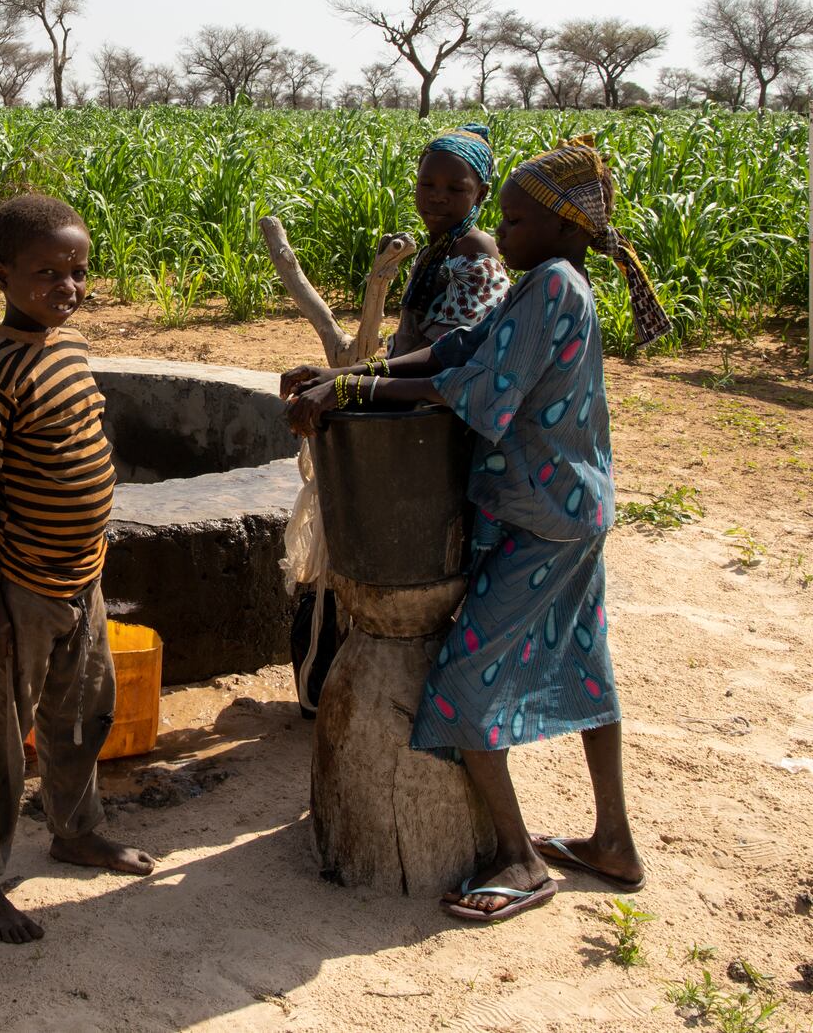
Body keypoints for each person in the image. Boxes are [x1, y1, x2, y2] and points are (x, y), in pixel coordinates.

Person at [282, 136, 673, 923]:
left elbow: (481, 388)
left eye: (517, 220)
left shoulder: (552, 286)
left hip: (542, 514)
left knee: (462, 680)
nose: (504, 232)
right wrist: (351, 376)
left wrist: (351, 392)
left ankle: (518, 858)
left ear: (564, 226)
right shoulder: (549, 283)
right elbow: (461, 345)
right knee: (586, 663)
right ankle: (614, 840)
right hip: (571, 505)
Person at [0, 192, 155, 944]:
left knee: (81, 713)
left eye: (78, 271)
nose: (67, 287)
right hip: (23, 587)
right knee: (1, 737)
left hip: (81, 575)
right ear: (2, 275)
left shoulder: (69, 348)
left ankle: (76, 830)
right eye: (46, 273)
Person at [388, 123, 511, 357]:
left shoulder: (475, 250)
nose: (437, 197)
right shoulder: (439, 249)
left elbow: (444, 350)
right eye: (427, 184)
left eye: (455, 189)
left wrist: (367, 372)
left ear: (481, 194)